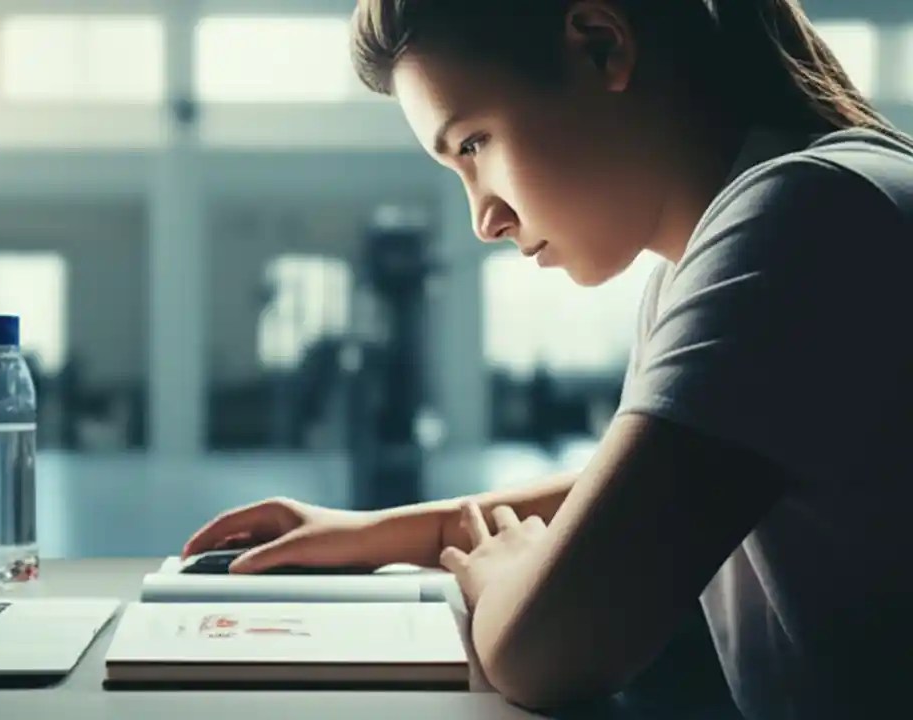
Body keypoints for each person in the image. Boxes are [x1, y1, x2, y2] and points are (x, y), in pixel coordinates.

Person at [182, 2, 913, 718]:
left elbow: (540, 653)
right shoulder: (790, 214)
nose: (482, 218)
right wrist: (397, 532)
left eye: (472, 144)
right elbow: (655, 491)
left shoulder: (800, 222)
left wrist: (504, 578)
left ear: (601, 46)